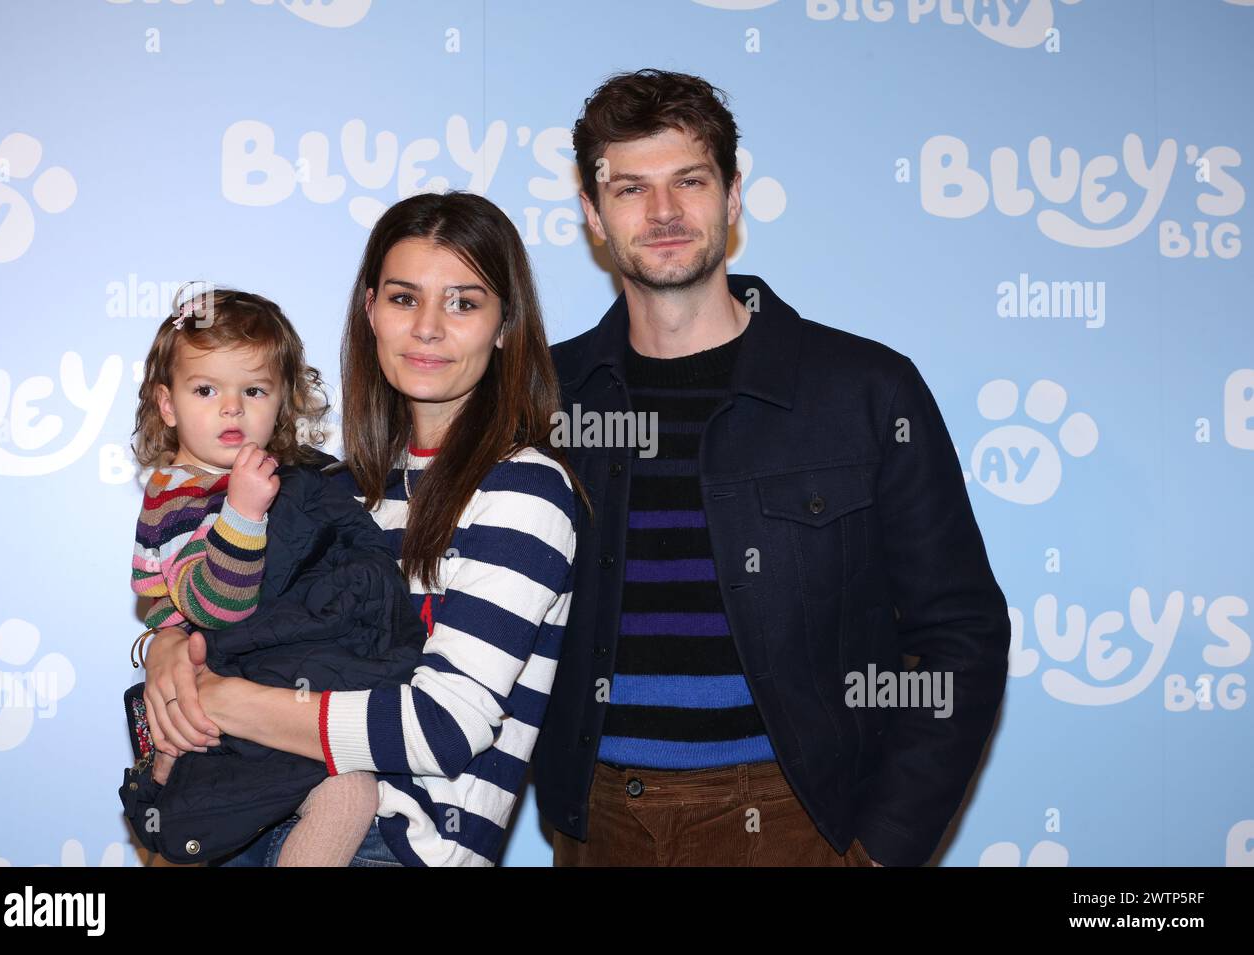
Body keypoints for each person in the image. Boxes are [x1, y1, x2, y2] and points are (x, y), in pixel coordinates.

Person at [534, 68, 1011, 867]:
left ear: (731, 195)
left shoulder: (863, 391)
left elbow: (961, 635)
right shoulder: (544, 400)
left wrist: (883, 850)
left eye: (689, 180)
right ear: (592, 213)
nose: (662, 213)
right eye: (629, 189)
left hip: (798, 826)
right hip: (599, 827)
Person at [140, 191, 586, 866]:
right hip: (250, 814)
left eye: (464, 302)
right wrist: (166, 647)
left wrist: (218, 700)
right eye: (405, 298)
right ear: (371, 309)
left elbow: (441, 730)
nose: (428, 328)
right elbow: (238, 621)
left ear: (504, 325)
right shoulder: (333, 493)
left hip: (396, 845)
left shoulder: (524, 491)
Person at [128, 285, 415, 866]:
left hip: (286, 713)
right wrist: (242, 514)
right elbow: (212, 606)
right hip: (215, 730)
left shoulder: (304, 485)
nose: (231, 408)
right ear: (167, 405)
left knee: (351, 791)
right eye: (206, 390)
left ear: (283, 403)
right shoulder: (178, 498)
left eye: (253, 390)